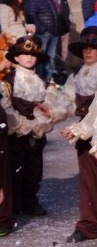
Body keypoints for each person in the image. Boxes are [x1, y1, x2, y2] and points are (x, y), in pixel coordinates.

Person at [57, 29, 97, 244]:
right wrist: (51, 111)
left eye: (93, 47)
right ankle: (87, 226)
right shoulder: (77, 75)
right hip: (84, 136)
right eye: (84, 48)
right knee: (89, 183)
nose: (88, 51)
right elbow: (66, 101)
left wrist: (80, 130)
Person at [5, 35, 62, 217]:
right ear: (16, 57)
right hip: (15, 132)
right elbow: (7, 106)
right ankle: (14, 202)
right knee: (14, 168)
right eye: (24, 54)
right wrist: (21, 125)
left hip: (37, 131)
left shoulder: (43, 80)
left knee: (34, 168)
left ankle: (30, 199)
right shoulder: (8, 80)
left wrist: (40, 124)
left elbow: (49, 105)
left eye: (33, 55)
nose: (29, 58)